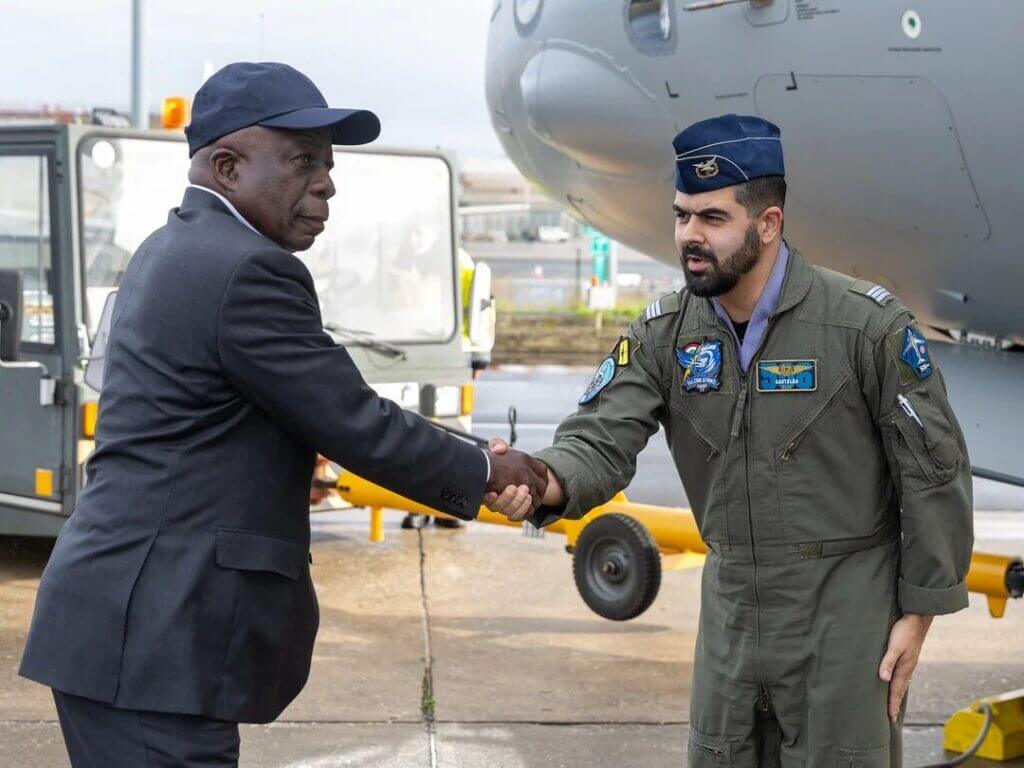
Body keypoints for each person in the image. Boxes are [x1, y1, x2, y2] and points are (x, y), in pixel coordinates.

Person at [19, 61, 546, 767]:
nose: (326, 182)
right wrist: (487, 468)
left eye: (328, 165)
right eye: (302, 161)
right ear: (229, 167)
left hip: (130, 632)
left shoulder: (168, 247)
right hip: (154, 644)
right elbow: (355, 420)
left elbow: (204, 414)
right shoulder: (247, 269)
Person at [486, 114, 973, 766]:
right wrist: (541, 476)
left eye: (712, 219)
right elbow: (601, 438)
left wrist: (919, 614)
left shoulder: (862, 327)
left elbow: (934, 470)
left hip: (844, 615)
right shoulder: (665, 334)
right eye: (683, 215)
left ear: (768, 224)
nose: (690, 235)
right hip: (732, 617)